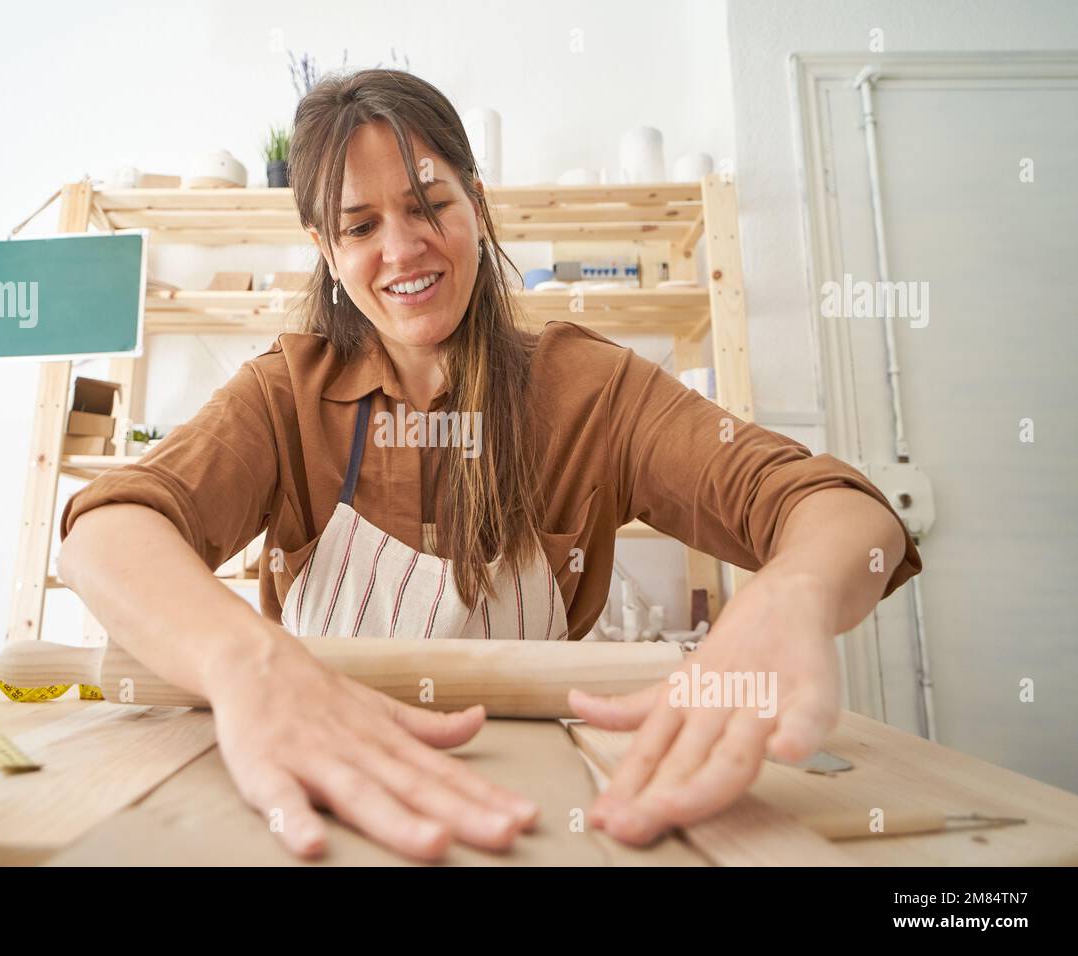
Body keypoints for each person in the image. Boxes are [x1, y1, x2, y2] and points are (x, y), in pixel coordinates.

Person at [57, 68, 922, 862]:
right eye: (360, 226)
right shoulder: (283, 397)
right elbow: (104, 534)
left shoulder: (592, 391)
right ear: (326, 249)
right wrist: (247, 665)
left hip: (535, 804)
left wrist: (792, 595)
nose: (401, 250)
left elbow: (847, 514)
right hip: (316, 786)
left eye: (429, 203)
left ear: (477, 202)